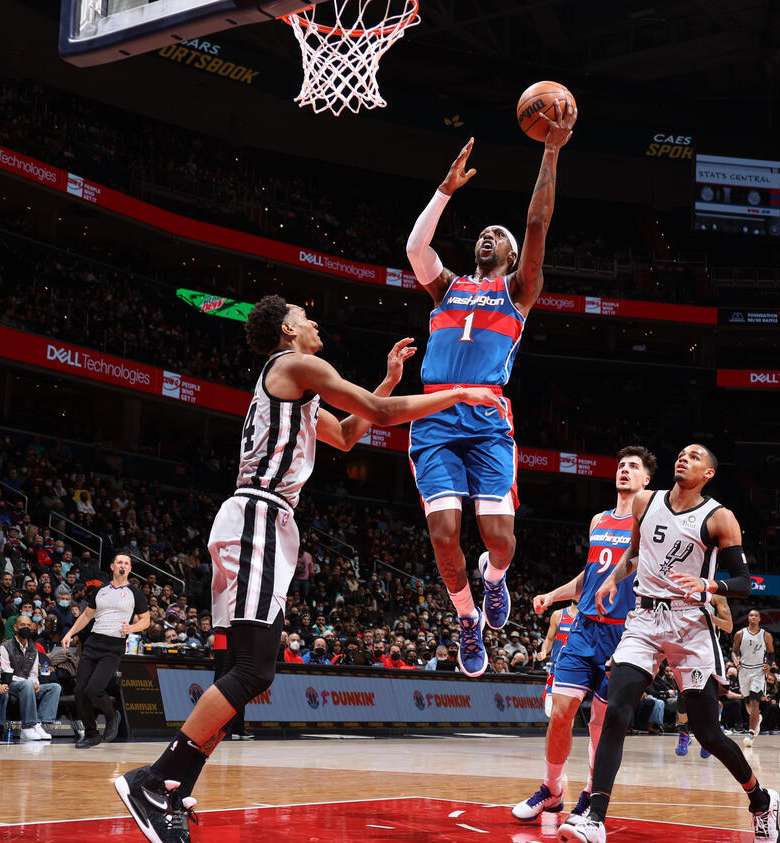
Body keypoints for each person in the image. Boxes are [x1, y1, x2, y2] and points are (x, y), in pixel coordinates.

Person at [112, 295, 504, 842]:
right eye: (307, 315)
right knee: (252, 672)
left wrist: (388, 382)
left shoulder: (291, 386)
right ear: (289, 327)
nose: (316, 322)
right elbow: (383, 416)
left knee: (239, 676)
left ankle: (170, 791)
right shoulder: (295, 363)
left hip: (254, 522)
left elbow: (346, 435)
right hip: (258, 519)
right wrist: (460, 394)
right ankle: (153, 780)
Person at [403, 104, 575, 678]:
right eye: (481, 234)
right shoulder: (446, 288)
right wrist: (445, 192)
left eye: (495, 236)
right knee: (443, 531)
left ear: (508, 255)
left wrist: (550, 150)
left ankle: (494, 579)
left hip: (487, 418)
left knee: (498, 540)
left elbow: (536, 226)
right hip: (433, 414)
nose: (487, 239)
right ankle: (467, 618)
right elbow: (414, 249)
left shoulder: (518, 291)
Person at [562, 444, 780, 843]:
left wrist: (709, 584)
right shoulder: (646, 501)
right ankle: (595, 818)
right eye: (682, 454)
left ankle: (761, 801)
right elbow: (633, 553)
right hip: (644, 619)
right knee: (616, 710)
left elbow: (745, 583)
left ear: (709, 473)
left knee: (707, 733)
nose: (685, 458)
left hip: (689, 624)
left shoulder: (719, 517)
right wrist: (613, 579)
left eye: (695, 457)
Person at [513, 446, 654, 823]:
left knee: (600, 724)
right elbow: (588, 577)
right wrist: (554, 594)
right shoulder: (598, 521)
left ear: (646, 480)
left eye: (634, 467)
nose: (625, 470)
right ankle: (552, 790)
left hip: (623, 634)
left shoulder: (650, 523)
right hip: (583, 628)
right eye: (621, 465)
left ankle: (592, 794)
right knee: (560, 713)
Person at [60, 554, 150, 748]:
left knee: (94, 689)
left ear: (130, 568)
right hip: (93, 642)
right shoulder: (101, 590)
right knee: (79, 690)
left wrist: (132, 629)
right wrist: (70, 633)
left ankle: (112, 715)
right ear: (112, 566)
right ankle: (91, 734)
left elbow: (146, 620)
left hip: (114, 645)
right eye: (119, 562)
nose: (123, 565)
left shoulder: (135, 592)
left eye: (126, 563)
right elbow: (86, 615)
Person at [677, 593, 732, 758]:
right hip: (683, 646)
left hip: (707, 650)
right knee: (683, 694)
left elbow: (728, 626)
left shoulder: (717, 596)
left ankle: (708, 738)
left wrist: (708, 618)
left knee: (707, 696)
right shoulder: (681, 591)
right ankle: (684, 734)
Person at [1, 614, 60, 741]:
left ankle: (38, 723)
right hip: (11, 684)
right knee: (27, 684)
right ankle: (27, 726)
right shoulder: (5, 646)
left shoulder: (33, 647)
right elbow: (6, 672)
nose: (26, 628)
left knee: (54, 687)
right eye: (23, 625)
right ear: (16, 627)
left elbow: (33, 673)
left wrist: (35, 683)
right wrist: (28, 682)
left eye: (28, 625)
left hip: (27, 685)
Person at [732, 609, 774, 747]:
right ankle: (757, 719)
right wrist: (735, 660)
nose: (753, 617)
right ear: (748, 618)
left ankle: (750, 734)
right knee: (749, 707)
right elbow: (734, 651)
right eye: (751, 615)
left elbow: (771, 653)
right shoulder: (740, 634)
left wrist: (769, 665)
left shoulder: (766, 635)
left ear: (760, 619)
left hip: (758, 671)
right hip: (743, 670)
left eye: (756, 616)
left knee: (755, 702)